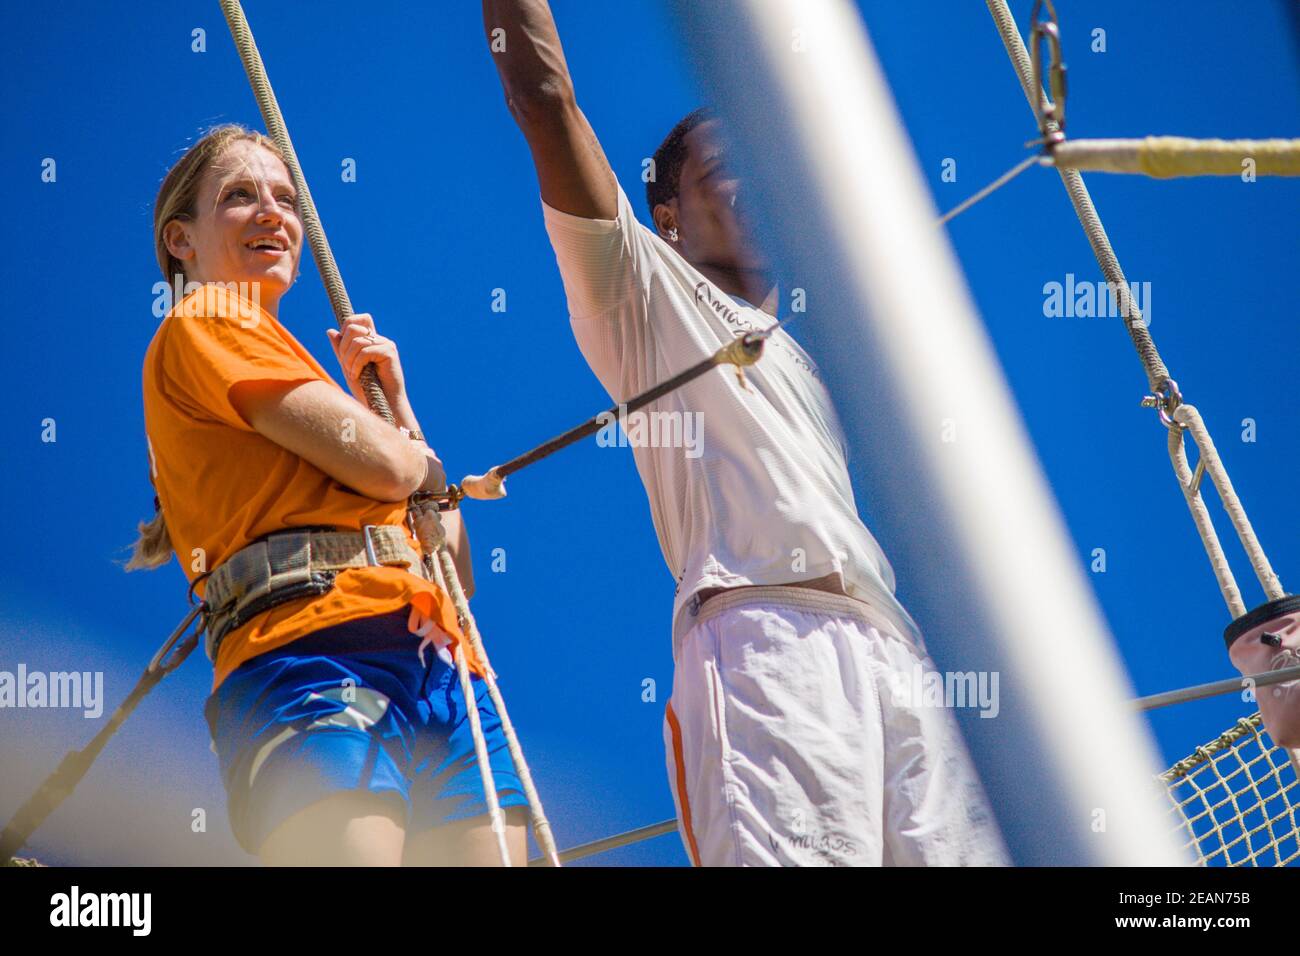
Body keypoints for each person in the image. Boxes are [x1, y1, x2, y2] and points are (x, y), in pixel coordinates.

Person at [482, 1, 1009, 865]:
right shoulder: (640, 296)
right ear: (668, 216)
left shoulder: (816, 353)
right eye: (728, 167)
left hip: (895, 651)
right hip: (766, 640)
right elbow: (543, 98)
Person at [128, 124, 529, 865]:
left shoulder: (286, 359)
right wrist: (401, 448)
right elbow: (388, 471)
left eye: (285, 199)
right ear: (180, 240)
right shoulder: (209, 320)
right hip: (312, 645)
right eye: (240, 197)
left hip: (435, 654)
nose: (273, 214)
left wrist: (398, 413)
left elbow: (455, 575)